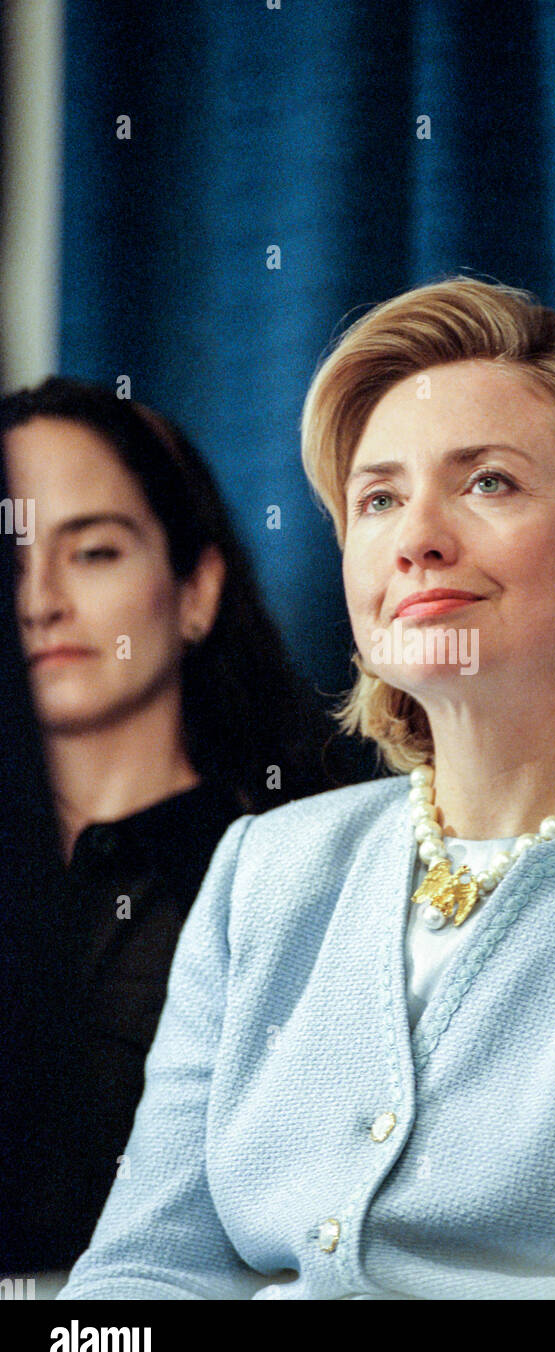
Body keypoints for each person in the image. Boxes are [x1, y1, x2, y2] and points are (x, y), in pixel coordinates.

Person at [56, 278, 555, 1301]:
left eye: (487, 484)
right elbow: (137, 1284)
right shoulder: (261, 871)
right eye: (378, 498)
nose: (414, 536)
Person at [0, 378, 344, 1274]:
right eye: (9, 559)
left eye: (96, 552)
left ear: (195, 590)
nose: (38, 601)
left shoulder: (294, 877)